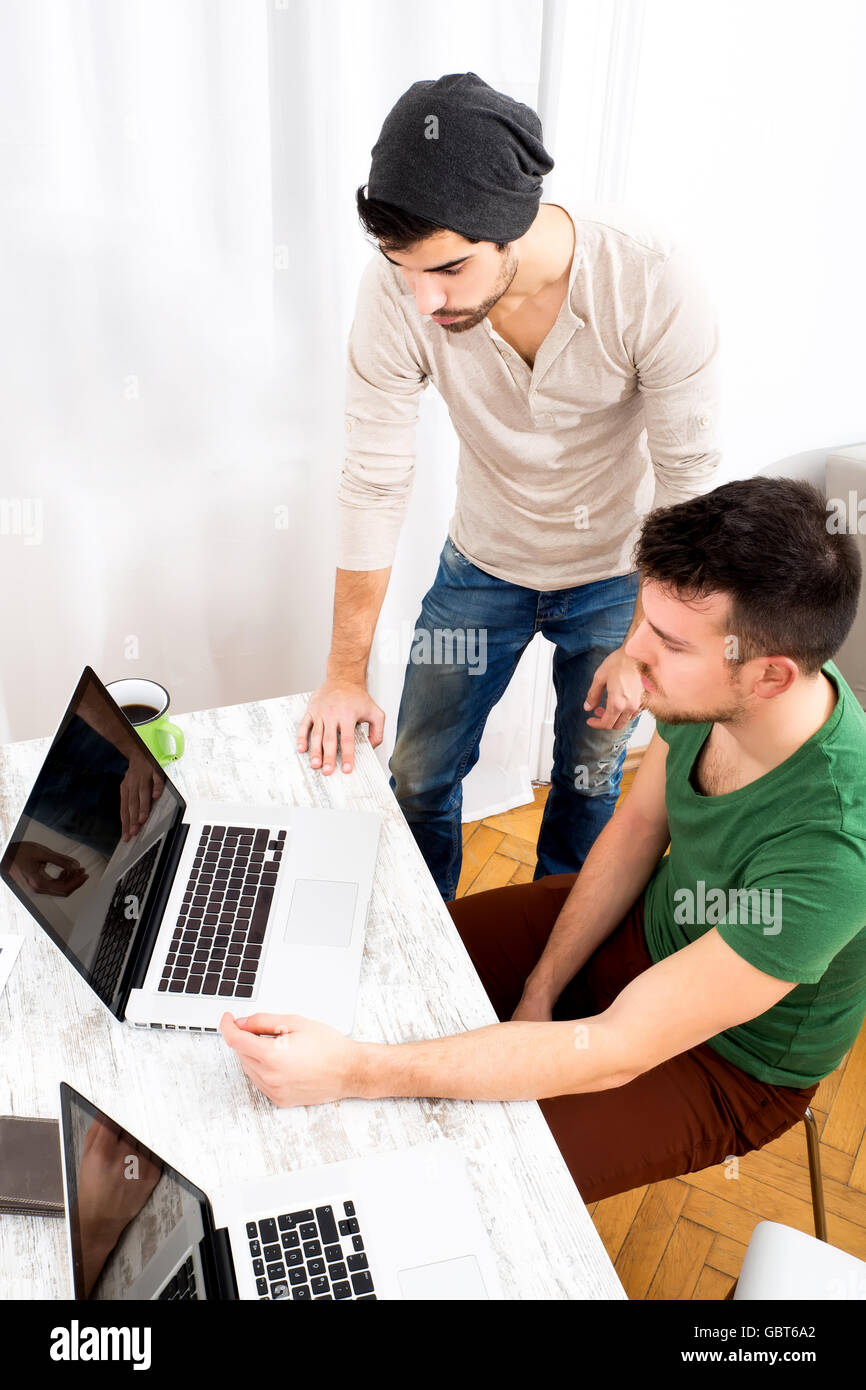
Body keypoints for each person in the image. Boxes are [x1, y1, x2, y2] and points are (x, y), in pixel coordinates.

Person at [222, 476, 866, 1204]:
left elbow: (620, 1048)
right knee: (385, 956)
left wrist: (357, 1071)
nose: (634, 655)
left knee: (469, 1173)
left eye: (669, 642)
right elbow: (631, 835)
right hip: (644, 927)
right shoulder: (721, 684)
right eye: (644, 621)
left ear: (771, 677)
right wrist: (542, 989)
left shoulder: (836, 848)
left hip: (727, 1061)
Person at [295, 71, 721, 900]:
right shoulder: (403, 291)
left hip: (618, 577)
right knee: (417, 775)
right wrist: (345, 672)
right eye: (401, 267)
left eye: (448, 268)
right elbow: (374, 479)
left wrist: (646, 646)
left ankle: (553, 949)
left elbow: (690, 495)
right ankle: (428, 953)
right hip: (481, 565)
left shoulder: (651, 280)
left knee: (590, 784)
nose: (423, 299)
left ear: (512, 225)